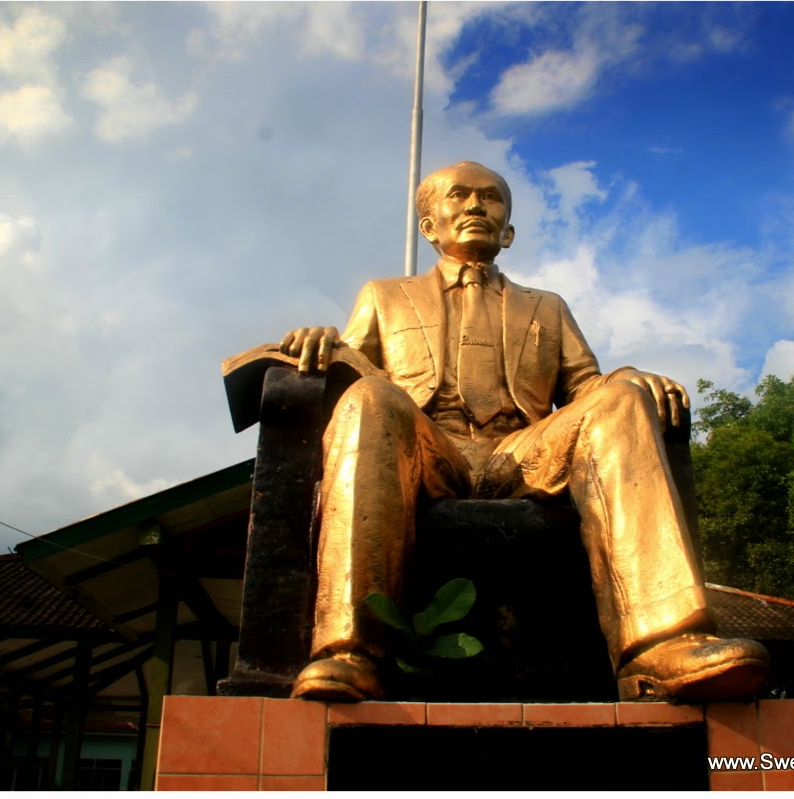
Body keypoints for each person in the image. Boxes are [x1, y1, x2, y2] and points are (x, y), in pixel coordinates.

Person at [280, 161, 768, 702]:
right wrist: (324, 343)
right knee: (370, 398)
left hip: (525, 451)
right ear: (429, 226)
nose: (474, 206)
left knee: (621, 401)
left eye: (490, 199)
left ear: (507, 231)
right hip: (428, 445)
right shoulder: (384, 295)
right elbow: (358, 370)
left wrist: (626, 378)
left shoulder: (547, 307)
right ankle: (350, 650)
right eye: (459, 196)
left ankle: (660, 647)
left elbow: (586, 387)